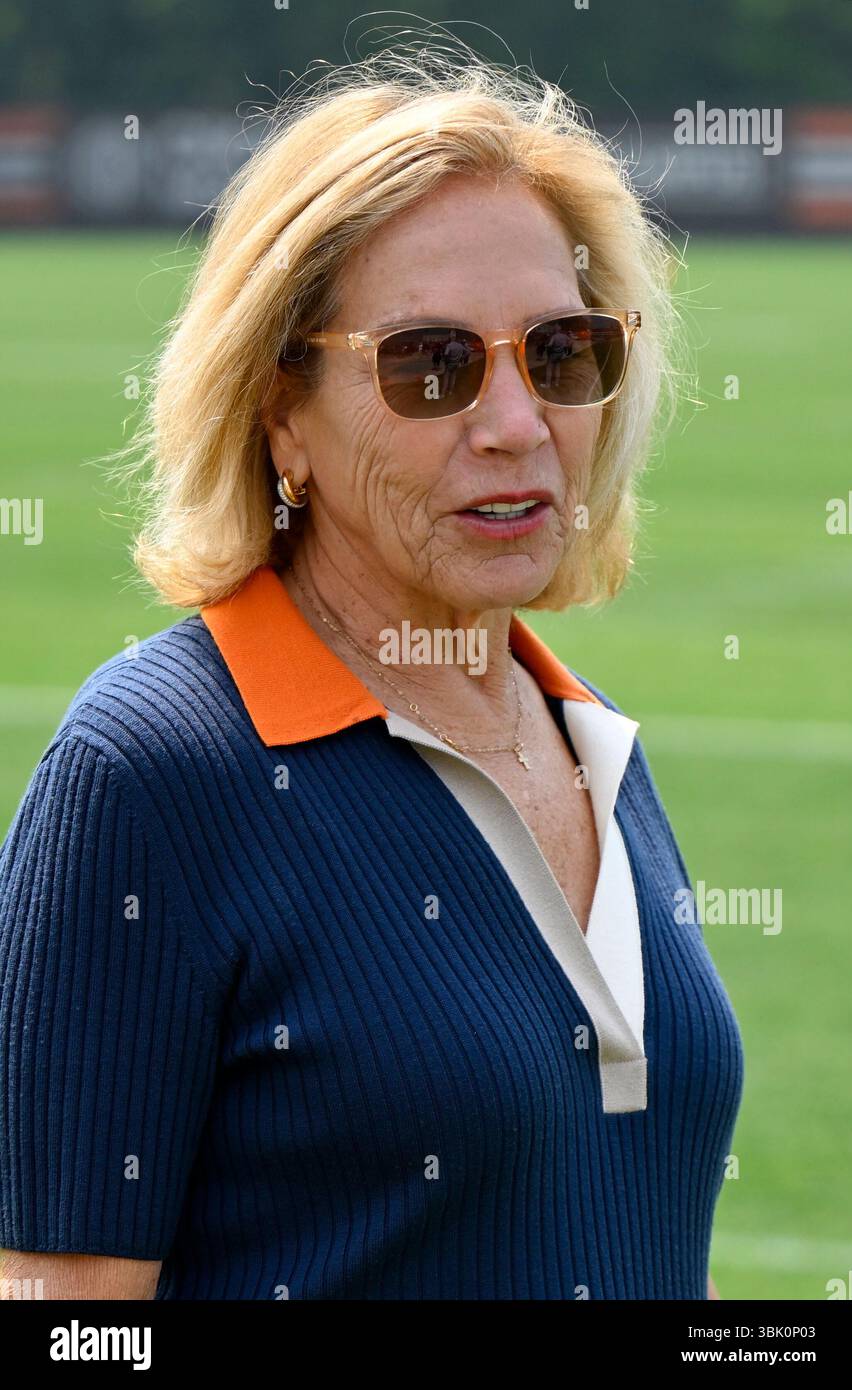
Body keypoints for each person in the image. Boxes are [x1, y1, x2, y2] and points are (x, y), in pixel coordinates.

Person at [0, 46, 742, 1301]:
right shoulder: (150, 773)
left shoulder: (591, 737)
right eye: (431, 364)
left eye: (559, 354)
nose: (515, 423)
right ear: (280, 410)